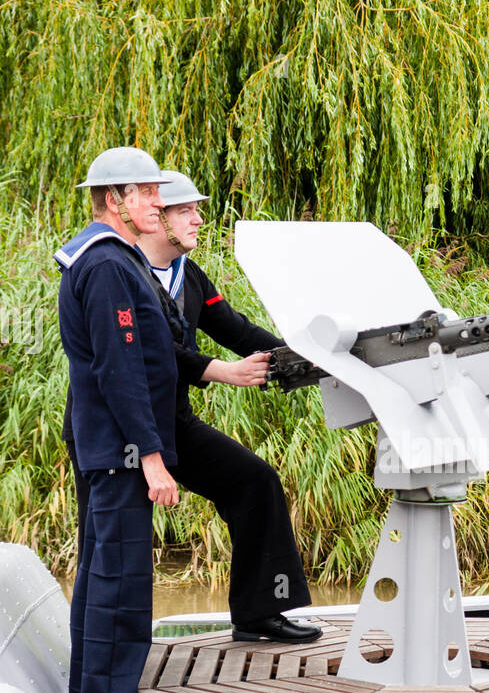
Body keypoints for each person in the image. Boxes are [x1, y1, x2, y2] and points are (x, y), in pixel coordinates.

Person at [63, 170, 322, 645]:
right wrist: (218, 370)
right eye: (187, 211)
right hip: (118, 429)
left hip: (171, 421)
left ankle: (258, 612)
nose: (199, 219)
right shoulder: (121, 270)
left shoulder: (191, 276)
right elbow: (145, 354)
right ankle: (95, 654)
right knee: (103, 546)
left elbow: (238, 332)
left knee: (254, 481)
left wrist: (311, 358)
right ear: (157, 218)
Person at [56, 148, 178, 693]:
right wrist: (150, 458)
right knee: (120, 585)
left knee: (105, 576)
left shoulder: (107, 258)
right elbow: (120, 370)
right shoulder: (106, 267)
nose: (159, 201)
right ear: (115, 201)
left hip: (109, 449)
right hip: (121, 453)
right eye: (148, 192)